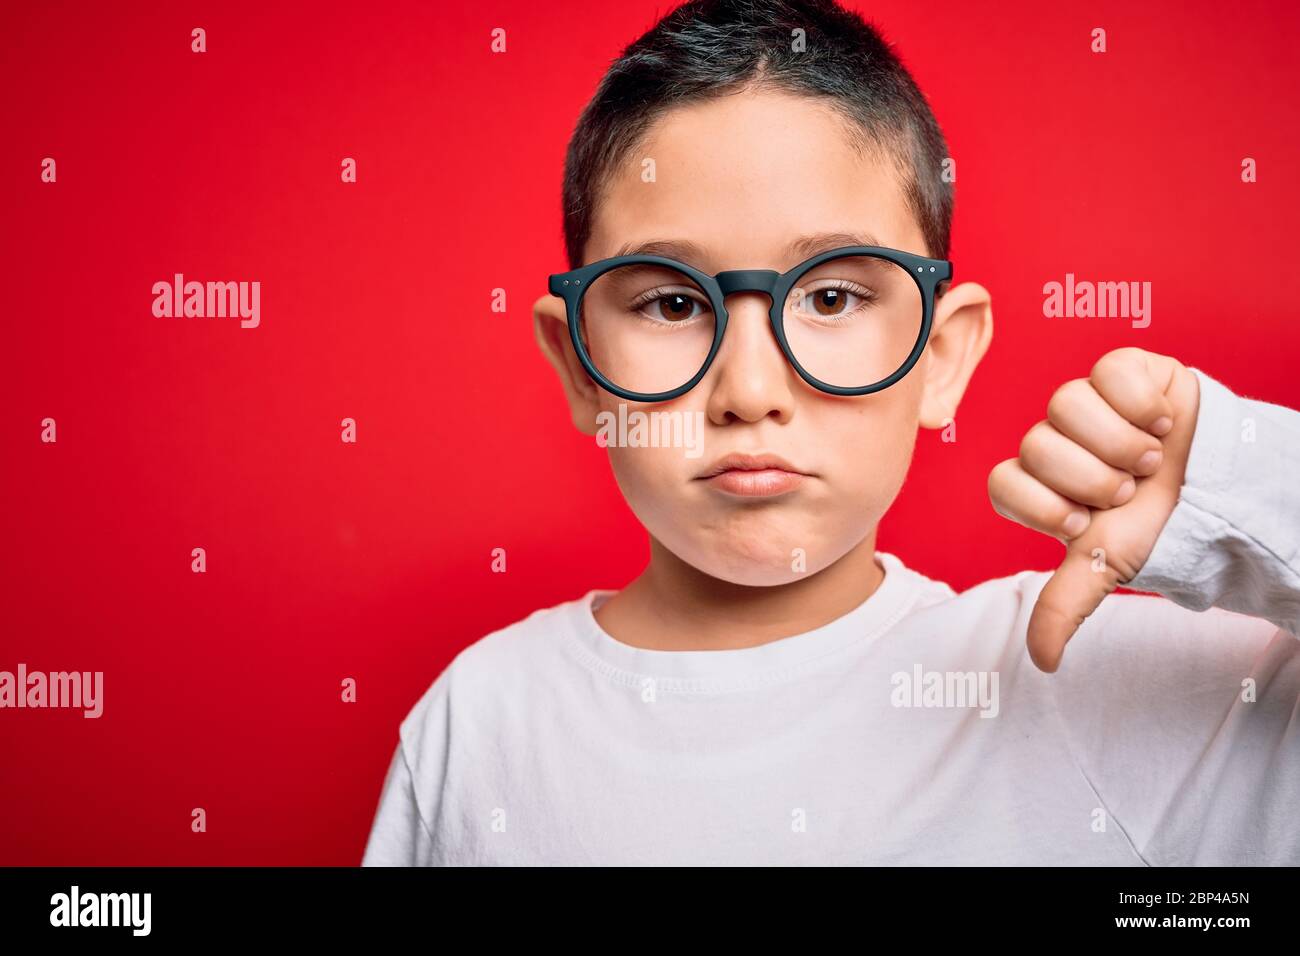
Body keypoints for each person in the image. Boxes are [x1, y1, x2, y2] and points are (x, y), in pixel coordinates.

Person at [362, 0, 1299, 865]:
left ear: (942, 357)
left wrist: (1242, 486)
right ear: (577, 365)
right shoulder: (479, 726)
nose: (751, 391)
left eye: (833, 296)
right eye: (672, 302)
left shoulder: (1111, 696)